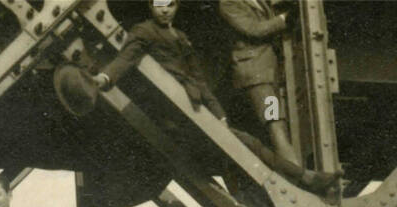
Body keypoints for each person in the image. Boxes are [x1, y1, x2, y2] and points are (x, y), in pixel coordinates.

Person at [91, 0, 339, 194]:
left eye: (170, 5)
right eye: (159, 5)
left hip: (256, 82)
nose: (165, 10)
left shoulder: (181, 36)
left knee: (269, 131)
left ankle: (302, 177)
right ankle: (302, 180)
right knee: (271, 130)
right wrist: (105, 77)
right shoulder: (224, 5)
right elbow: (126, 58)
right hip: (255, 79)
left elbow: (198, 79)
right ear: (151, 6)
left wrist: (219, 114)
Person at [217, 1, 301, 169]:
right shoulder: (227, 3)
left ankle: (294, 173)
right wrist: (283, 19)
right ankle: (298, 175)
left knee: (276, 123)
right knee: (275, 123)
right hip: (256, 75)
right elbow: (254, 30)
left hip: (265, 74)